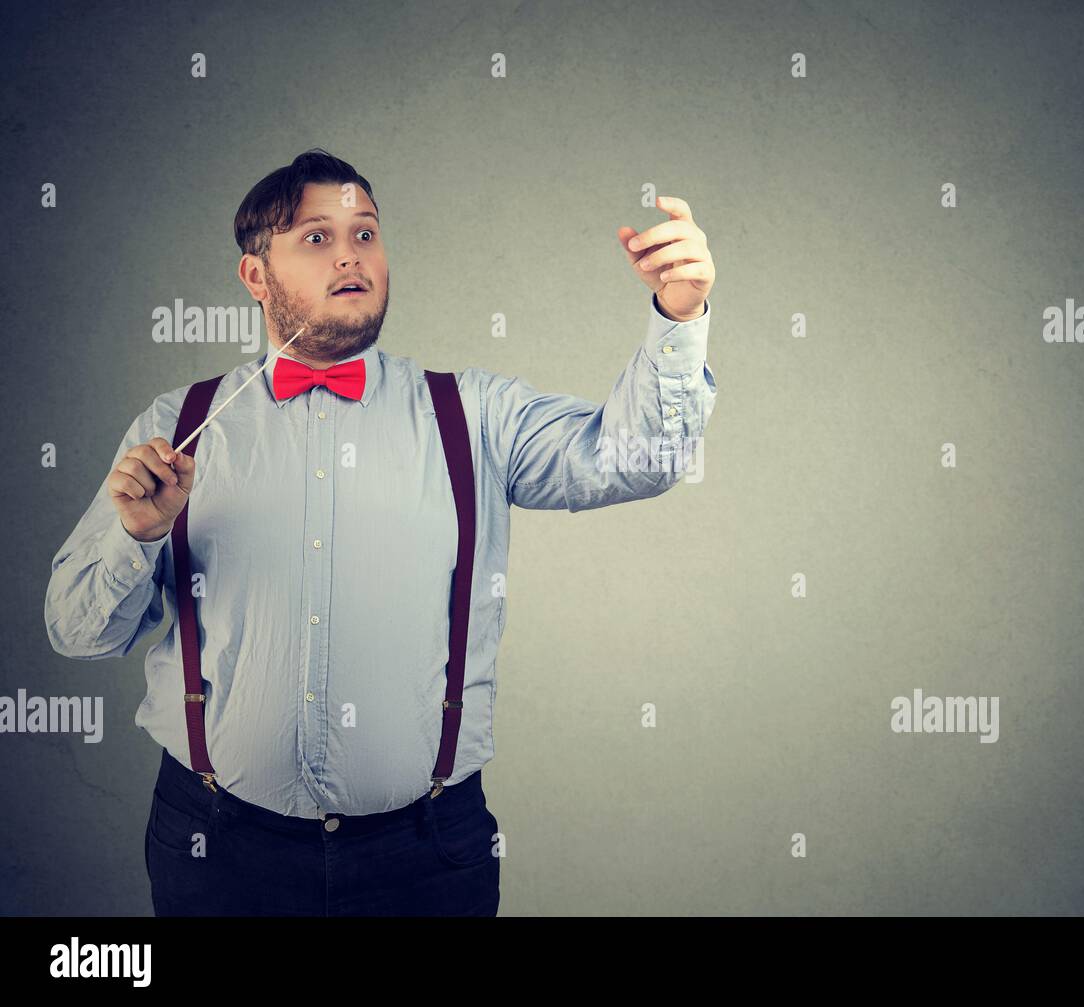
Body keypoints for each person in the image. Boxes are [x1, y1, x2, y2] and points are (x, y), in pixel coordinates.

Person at [43, 148, 718, 916]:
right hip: (217, 850)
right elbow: (78, 631)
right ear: (255, 277)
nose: (350, 255)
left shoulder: (475, 416)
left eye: (365, 233)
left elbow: (642, 461)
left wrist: (679, 314)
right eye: (316, 237)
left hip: (428, 857)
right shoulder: (179, 428)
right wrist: (134, 536)